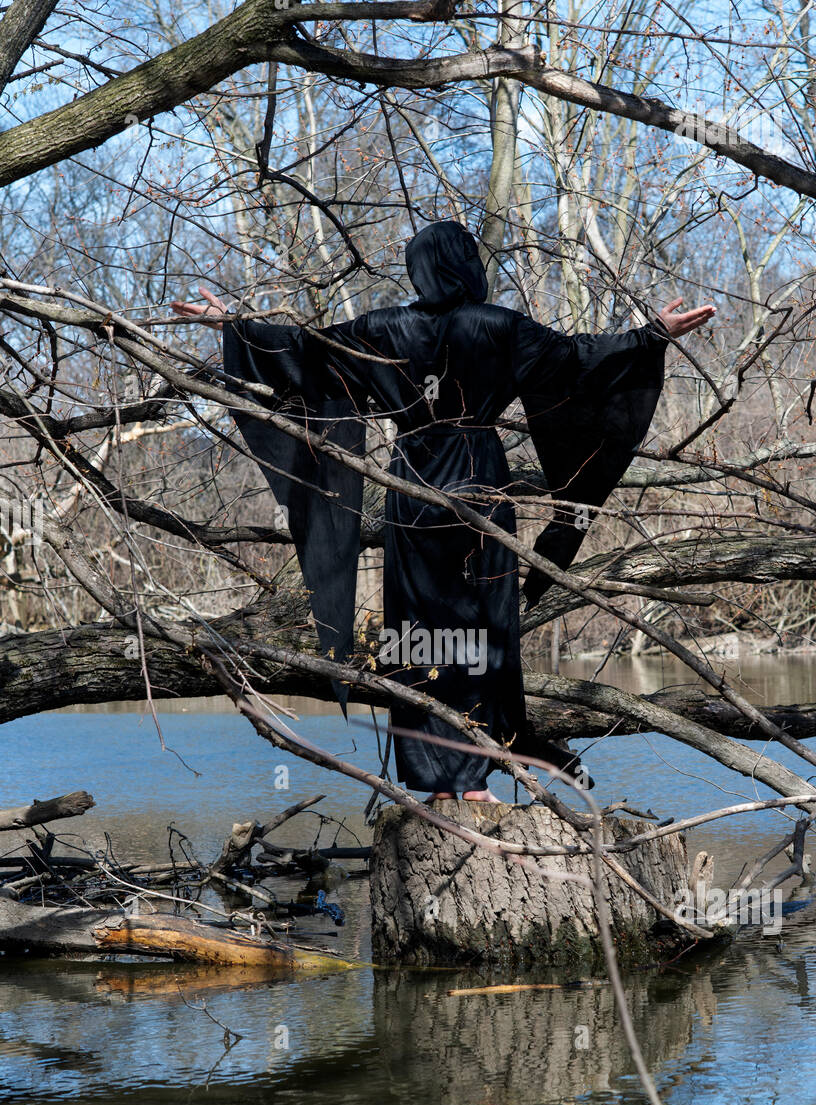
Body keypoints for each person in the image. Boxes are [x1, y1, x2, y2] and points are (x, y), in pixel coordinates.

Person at [172, 221, 714, 802]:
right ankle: (476, 778)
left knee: (418, 632)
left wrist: (233, 328)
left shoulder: (384, 328)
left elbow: (304, 355)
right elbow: (580, 361)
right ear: (469, 266)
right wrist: (653, 333)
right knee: (483, 625)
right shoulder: (497, 325)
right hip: (479, 480)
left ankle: (440, 781)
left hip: (413, 482)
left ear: (419, 270)